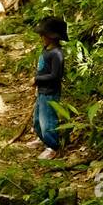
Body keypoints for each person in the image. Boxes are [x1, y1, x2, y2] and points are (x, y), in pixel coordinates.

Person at [31, 16, 67, 160]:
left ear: (52, 36)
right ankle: (43, 140)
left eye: (43, 34)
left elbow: (55, 76)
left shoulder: (57, 54)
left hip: (50, 93)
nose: (41, 37)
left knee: (48, 121)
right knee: (37, 121)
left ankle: (53, 146)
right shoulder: (46, 49)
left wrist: (37, 79)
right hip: (42, 91)